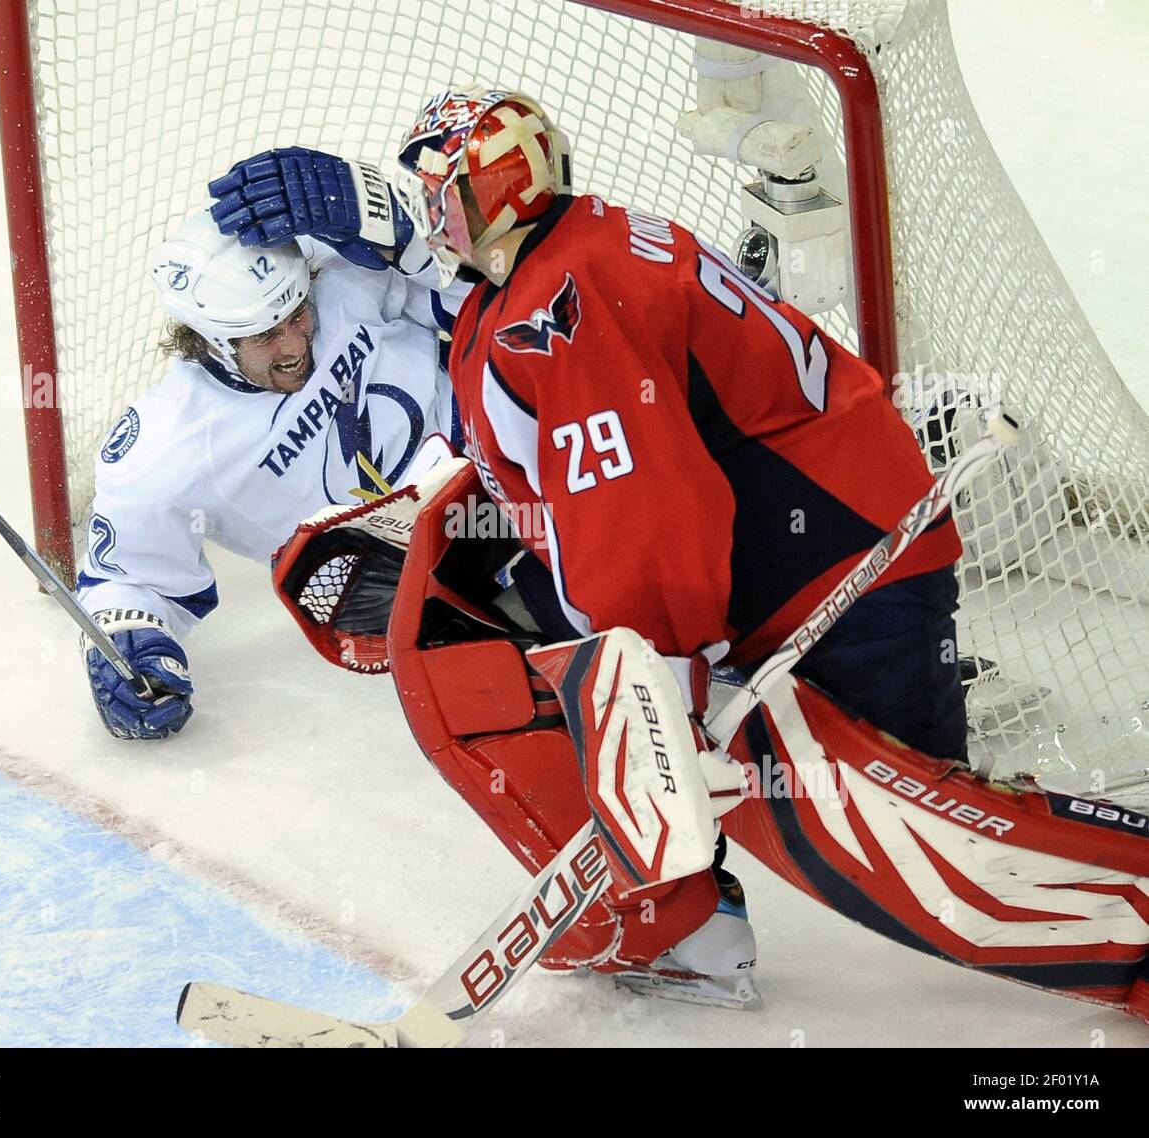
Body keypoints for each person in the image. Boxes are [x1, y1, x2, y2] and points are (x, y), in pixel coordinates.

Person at [216, 92, 965, 1007]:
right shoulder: (563, 253)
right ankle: (678, 913)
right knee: (501, 652)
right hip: (819, 535)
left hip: (840, 559)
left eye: (442, 200)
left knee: (929, 840)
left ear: (497, 200)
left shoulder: (558, 317)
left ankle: (676, 914)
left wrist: (661, 685)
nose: (430, 220)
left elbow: (646, 516)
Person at [80, 150, 469, 740]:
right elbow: (128, 581)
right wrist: (128, 648)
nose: (295, 345)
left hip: (497, 459)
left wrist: (398, 229)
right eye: (265, 335)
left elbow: (483, 303)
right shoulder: (168, 446)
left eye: (298, 314)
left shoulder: (343, 272)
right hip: (410, 578)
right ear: (211, 339)